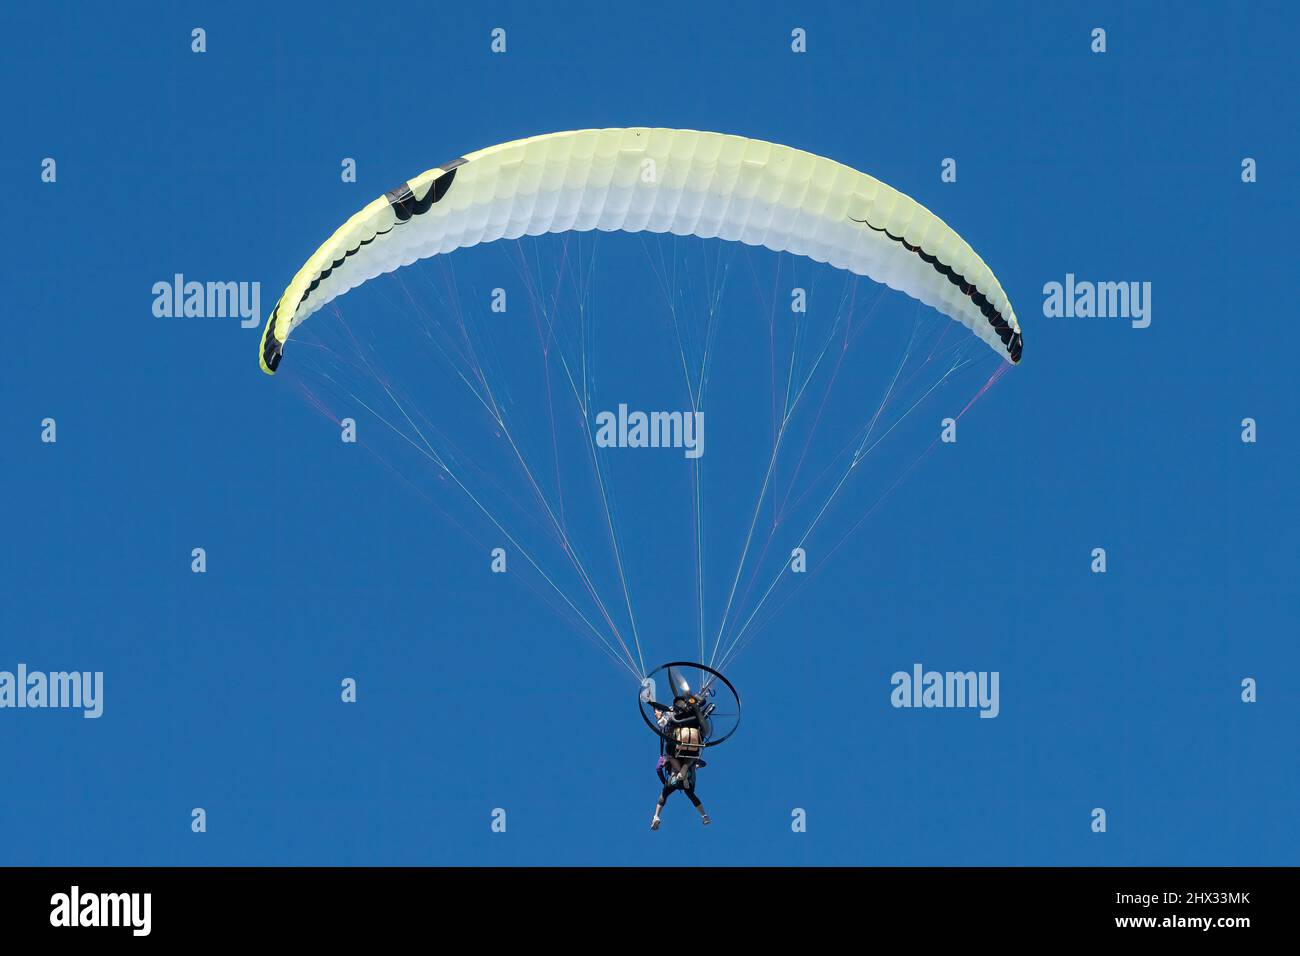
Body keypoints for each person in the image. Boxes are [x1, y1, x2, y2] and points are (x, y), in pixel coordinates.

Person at [650, 695, 711, 830]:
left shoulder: (672, 716)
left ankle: (656, 816)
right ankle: (704, 815)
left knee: (671, 757)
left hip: (677, 771)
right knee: (692, 756)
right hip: (688, 763)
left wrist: (659, 715)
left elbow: (658, 769)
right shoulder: (685, 714)